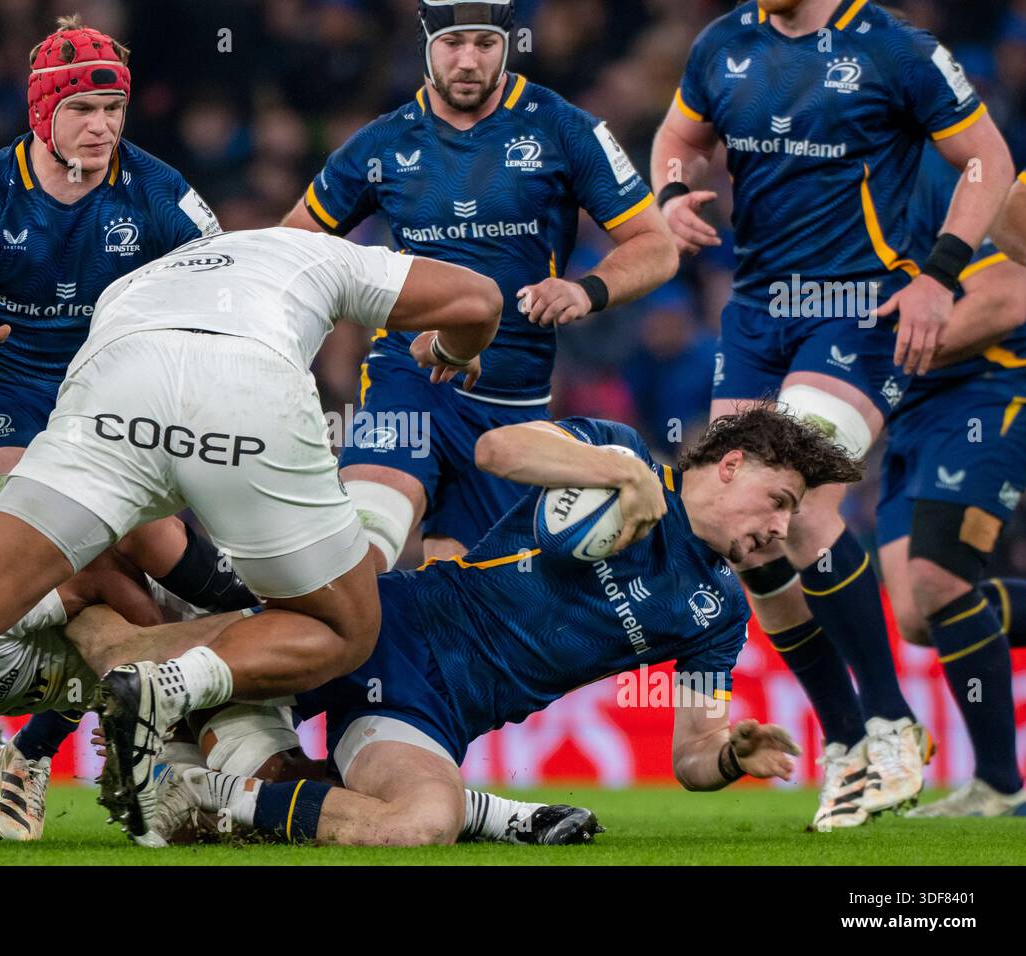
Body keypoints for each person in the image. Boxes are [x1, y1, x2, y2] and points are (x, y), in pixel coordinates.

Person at [0, 225, 500, 843]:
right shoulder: (316, 255)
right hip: (227, 408)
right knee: (328, 626)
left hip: (108, 400)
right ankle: (128, 701)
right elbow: (479, 300)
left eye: (108, 111)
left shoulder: (138, 271)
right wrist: (452, 350)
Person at [122, 405, 863, 846]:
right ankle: (44, 715)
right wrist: (622, 476)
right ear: (731, 464)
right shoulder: (615, 451)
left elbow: (691, 758)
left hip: (428, 713)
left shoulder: (717, 612)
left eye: (792, 513)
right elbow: (496, 448)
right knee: (128, 667)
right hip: (385, 622)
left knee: (421, 824)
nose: (783, 526)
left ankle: (208, 799)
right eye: (781, 498)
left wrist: (730, 758)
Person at [0, 14, 249, 834]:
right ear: (42, 113)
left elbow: (232, 294)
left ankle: (15, 754)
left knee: (127, 585)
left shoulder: (158, 193)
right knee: (45, 541)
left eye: (113, 109)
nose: (103, 126)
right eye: (83, 109)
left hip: (113, 406)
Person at [650, 0, 1015, 829]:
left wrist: (940, 275)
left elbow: (986, 158)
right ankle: (848, 737)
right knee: (736, 529)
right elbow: (679, 138)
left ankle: (893, 725)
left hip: (858, 311)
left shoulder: (894, 47)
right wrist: (672, 192)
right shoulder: (722, 44)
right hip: (753, 316)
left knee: (798, 499)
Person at [0, 560, 595, 847]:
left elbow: (95, 577)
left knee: (272, 776)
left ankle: (494, 816)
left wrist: (166, 664)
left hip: (190, 635)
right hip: (130, 694)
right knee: (252, 811)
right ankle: (497, 815)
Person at [280, 0, 678, 572]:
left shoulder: (564, 127)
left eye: (484, 44)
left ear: (509, 44)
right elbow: (293, 249)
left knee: (466, 605)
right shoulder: (381, 143)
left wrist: (584, 290)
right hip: (410, 375)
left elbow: (656, 246)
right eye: (452, 44)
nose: (468, 60)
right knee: (364, 548)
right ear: (424, 45)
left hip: (515, 403)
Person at [876, 148, 1026, 818]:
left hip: (986, 390)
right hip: (912, 410)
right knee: (916, 613)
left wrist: (878, 375)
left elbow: (1004, 298)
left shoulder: (947, 180)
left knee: (939, 580)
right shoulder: (821, 204)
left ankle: (998, 783)